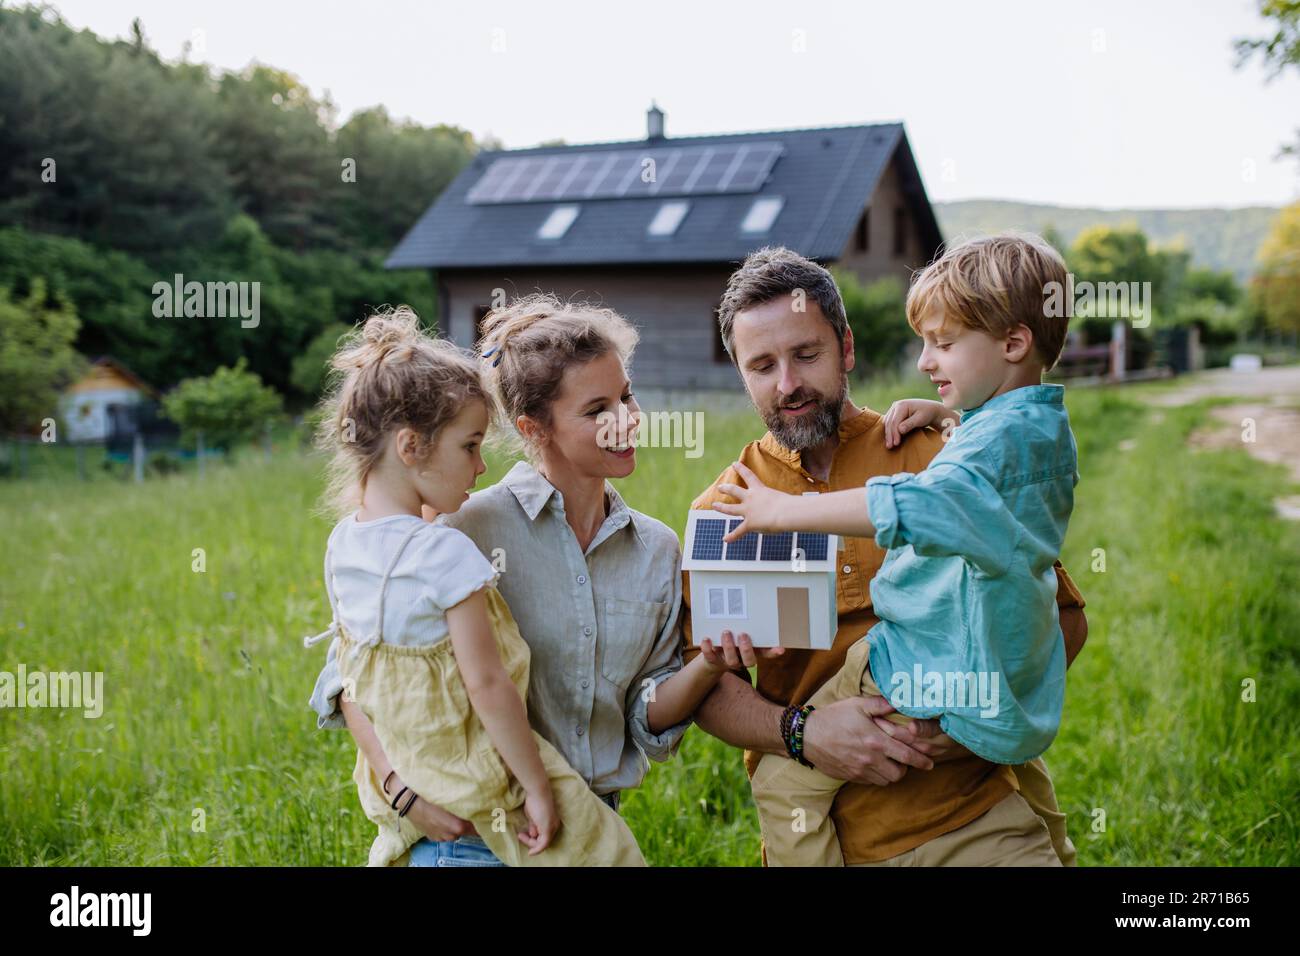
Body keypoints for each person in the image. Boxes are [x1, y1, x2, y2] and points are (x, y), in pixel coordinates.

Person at [308, 295, 775, 866]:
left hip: (589, 835)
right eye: (597, 408)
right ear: (535, 427)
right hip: (474, 839)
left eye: (626, 396)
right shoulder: (458, 527)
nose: (626, 419)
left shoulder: (655, 549)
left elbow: (643, 718)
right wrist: (403, 796)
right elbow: (354, 672)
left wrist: (711, 662)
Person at [682, 244, 1089, 866]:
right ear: (741, 372)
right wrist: (805, 734)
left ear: (846, 347)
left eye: (806, 355)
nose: (787, 384)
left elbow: (1059, 619)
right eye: (762, 365)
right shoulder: (727, 507)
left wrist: (954, 728)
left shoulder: (935, 452)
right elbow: (708, 691)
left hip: (975, 818)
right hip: (827, 837)